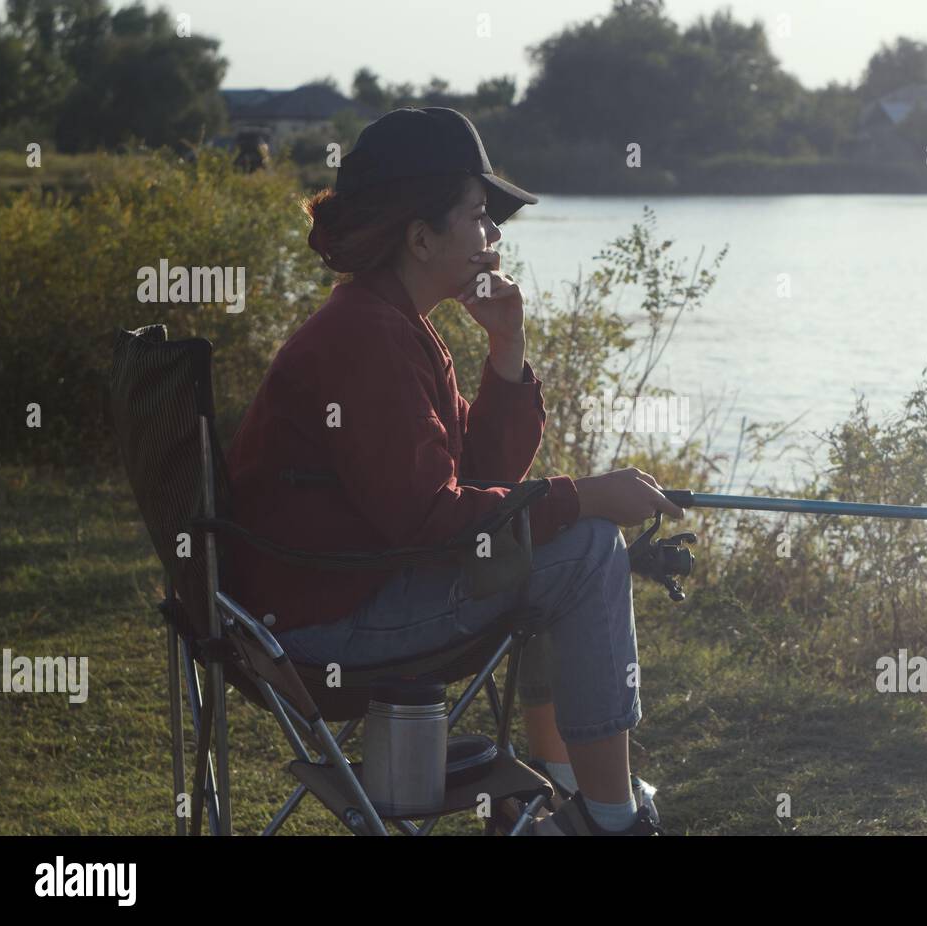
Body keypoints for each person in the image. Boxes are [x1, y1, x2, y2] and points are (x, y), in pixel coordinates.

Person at [223, 107, 684, 836]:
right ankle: (607, 819)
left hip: (337, 592)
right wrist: (587, 497)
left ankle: (566, 792)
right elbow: (435, 522)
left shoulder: (394, 324)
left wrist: (507, 349)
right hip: (326, 625)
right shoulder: (366, 341)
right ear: (420, 235)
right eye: (479, 216)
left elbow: (478, 474)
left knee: (565, 538)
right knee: (588, 547)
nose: (494, 238)